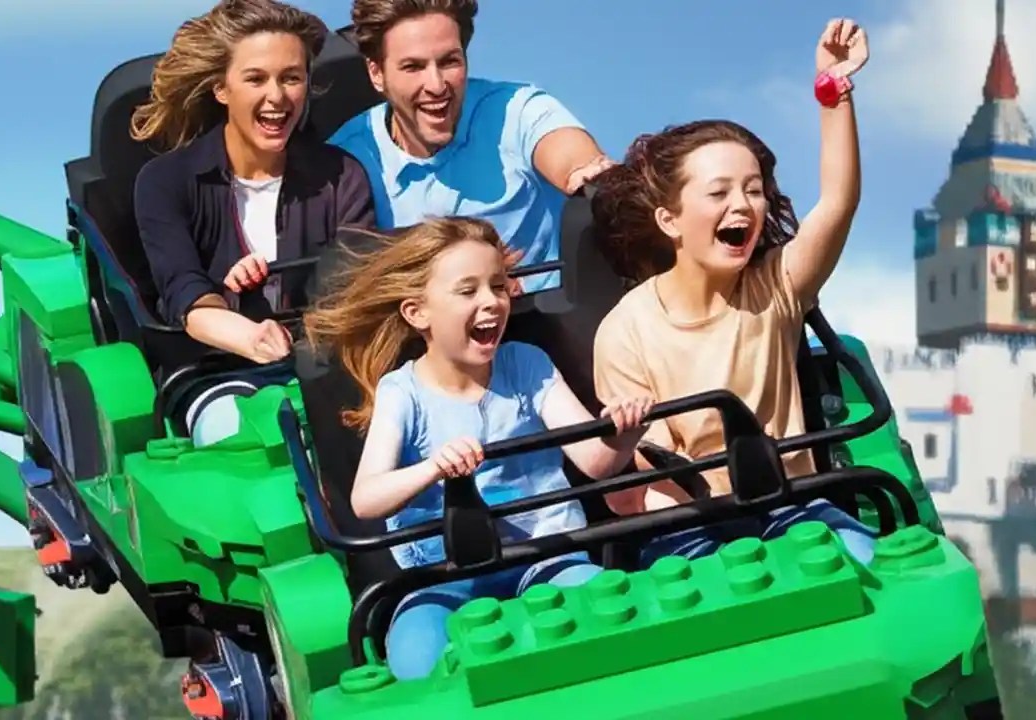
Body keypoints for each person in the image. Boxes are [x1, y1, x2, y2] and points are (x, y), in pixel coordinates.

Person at [303, 216, 653, 680]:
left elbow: (594, 461)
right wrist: (432, 468)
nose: (490, 302)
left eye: (498, 287)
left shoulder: (529, 365)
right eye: (467, 292)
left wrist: (622, 433)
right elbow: (367, 500)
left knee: (608, 617)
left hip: (546, 556)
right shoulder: (401, 392)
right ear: (418, 313)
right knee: (416, 659)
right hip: (442, 575)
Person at [590, 19, 877, 565]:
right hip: (691, 527)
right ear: (670, 220)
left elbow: (839, 200)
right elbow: (652, 464)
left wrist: (833, 89)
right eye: (719, 192)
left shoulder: (777, 284)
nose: (742, 205)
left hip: (796, 506)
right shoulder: (626, 331)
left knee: (861, 566)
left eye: (753, 190)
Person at [130, 0, 375, 446]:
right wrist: (252, 335)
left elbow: (355, 287)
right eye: (256, 78)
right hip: (216, 373)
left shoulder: (342, 176)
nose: (277, 96)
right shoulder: (166, 181)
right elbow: (186, 294)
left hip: (325, 365)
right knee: (247, 440)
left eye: (291, 77)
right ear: (222, 89)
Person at [328, 0, 614, 293]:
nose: (436, 85)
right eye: (413, 67)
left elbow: (574, 159)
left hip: (543, 319)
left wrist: (587, 173)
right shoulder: (345, 157)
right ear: (377, 73)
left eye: (449, 61)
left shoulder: (515, 109)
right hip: (418, 327)